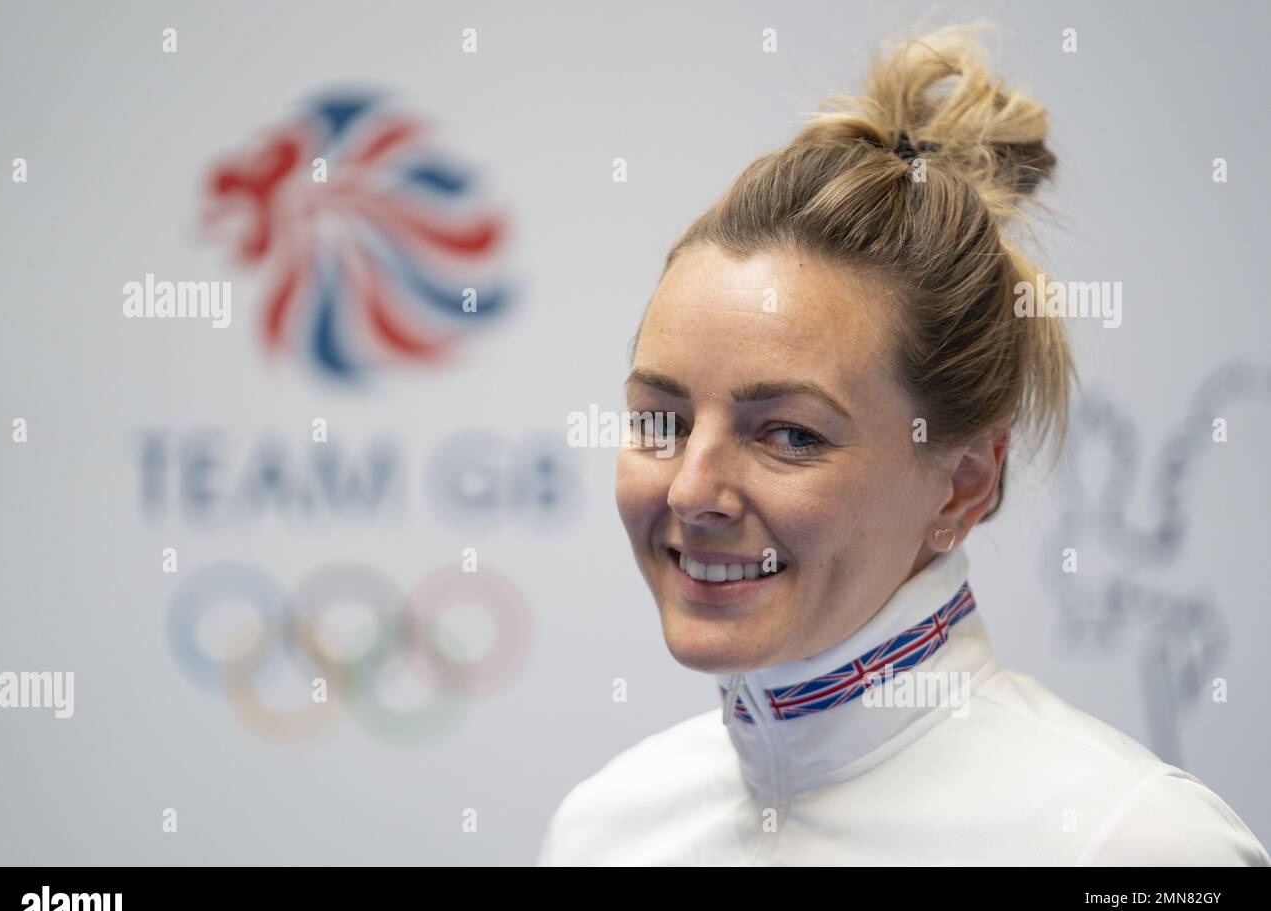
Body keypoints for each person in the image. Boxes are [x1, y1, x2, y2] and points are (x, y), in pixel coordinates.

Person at [536, 24, 1270, 866]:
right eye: (661, 423)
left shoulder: (1139, 849)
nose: (693, 491)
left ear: (962, 485)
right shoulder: (602, 832)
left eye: (788, 434)